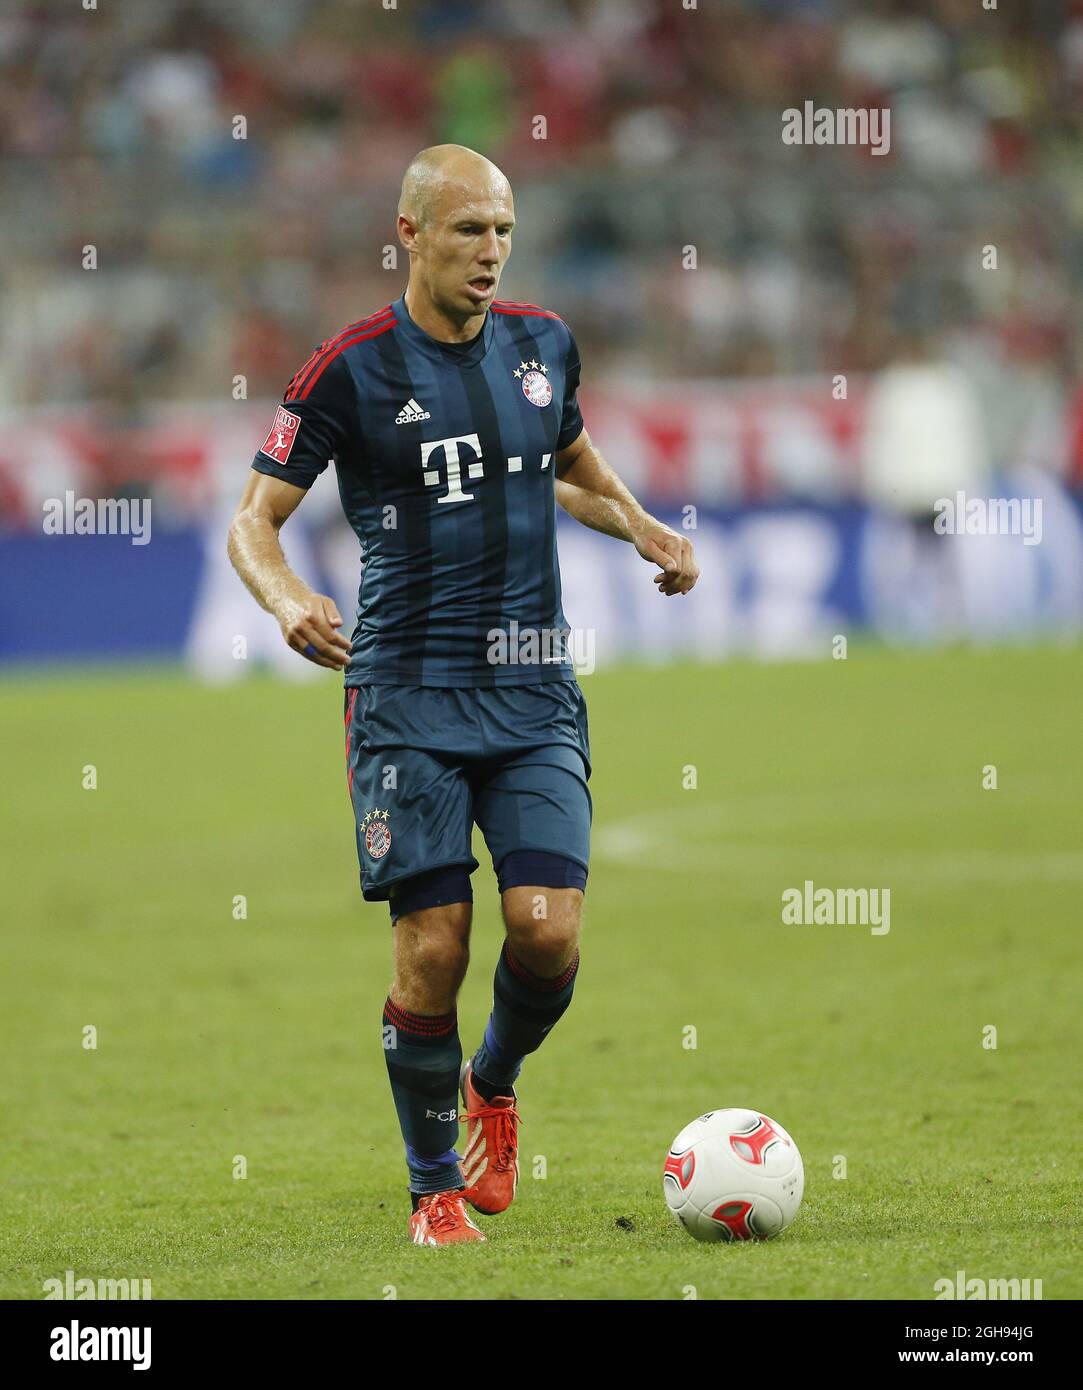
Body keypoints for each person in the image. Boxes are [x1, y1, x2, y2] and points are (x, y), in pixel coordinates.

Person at [227, 144, 699, 1246]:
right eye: (467, 231)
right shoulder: (347, 369)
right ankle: (432, 1186)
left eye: (502, 232)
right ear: (411, 234)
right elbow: (253, 521)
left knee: (546, 932)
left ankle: (495, 1075)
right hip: (406, 691)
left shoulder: (543, 346)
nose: (489, 252)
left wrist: (640, 522)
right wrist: (286, 597)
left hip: (532, 678)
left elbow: (571, 466)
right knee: (434, 946)